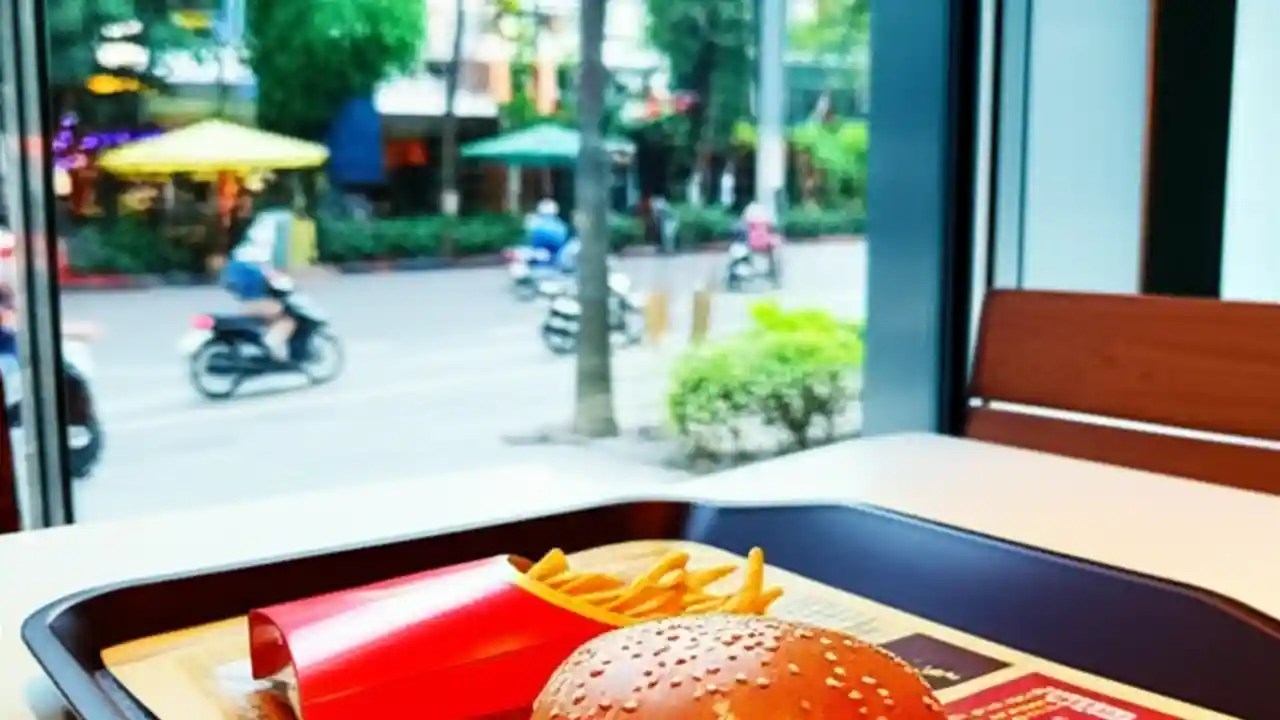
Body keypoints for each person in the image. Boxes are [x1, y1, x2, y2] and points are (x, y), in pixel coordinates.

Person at [220, 196, 295, 361]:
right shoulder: (281, 223)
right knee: (286, 317)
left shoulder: (260, 225)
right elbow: (278, 270)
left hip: (241, 286)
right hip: (254, 286)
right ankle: (272, 343)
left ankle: (265, 347)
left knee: (264, 314)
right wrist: (286, 280)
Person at [525, 198, 571, 270]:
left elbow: (529, 240)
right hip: (556, 262)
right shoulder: (561, 226)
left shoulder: (534, 224)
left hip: (541, 262)